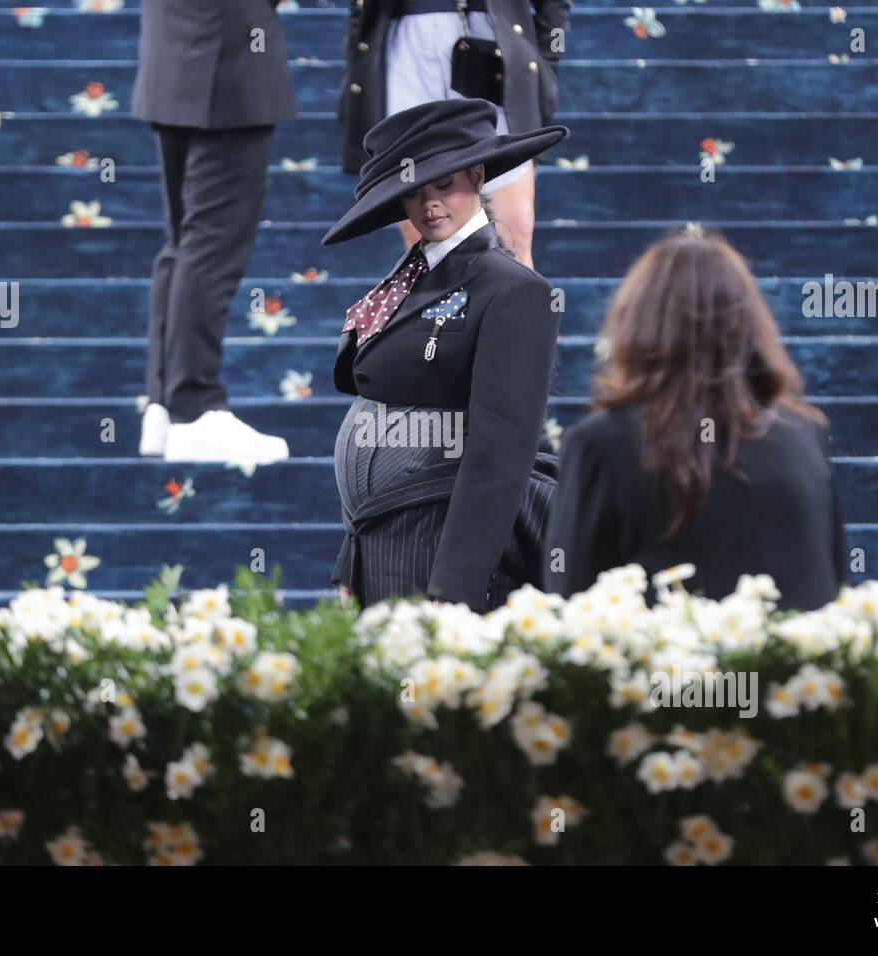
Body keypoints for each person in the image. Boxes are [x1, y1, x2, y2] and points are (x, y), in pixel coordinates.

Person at [323, 97, 569, 612]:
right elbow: (377, 416)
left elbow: (501, 451)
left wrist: (454, 587)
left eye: (445, 185)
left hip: (441, 552)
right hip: (382, 544)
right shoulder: (403, 282)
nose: (431, 203)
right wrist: (353, 557)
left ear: (476, 177)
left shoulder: (514, 290)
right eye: (413, 191)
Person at [544, 233, 849, 611]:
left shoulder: (599, 444)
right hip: (794, 665)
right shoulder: (806, 434)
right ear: (750, 324)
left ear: (636, 323)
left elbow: (573, 601)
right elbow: (834, 588)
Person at [131, 0, 295, 463]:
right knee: (208, 246)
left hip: (174, 55)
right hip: (230, 60)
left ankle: (166, 404)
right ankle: (194, 407)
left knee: (185, 241)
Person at [338, 0, 572, 269]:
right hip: (403, 46)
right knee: (422, 238)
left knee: (510, 235)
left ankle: (511, 310)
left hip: (490, 46)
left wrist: (546, 64)